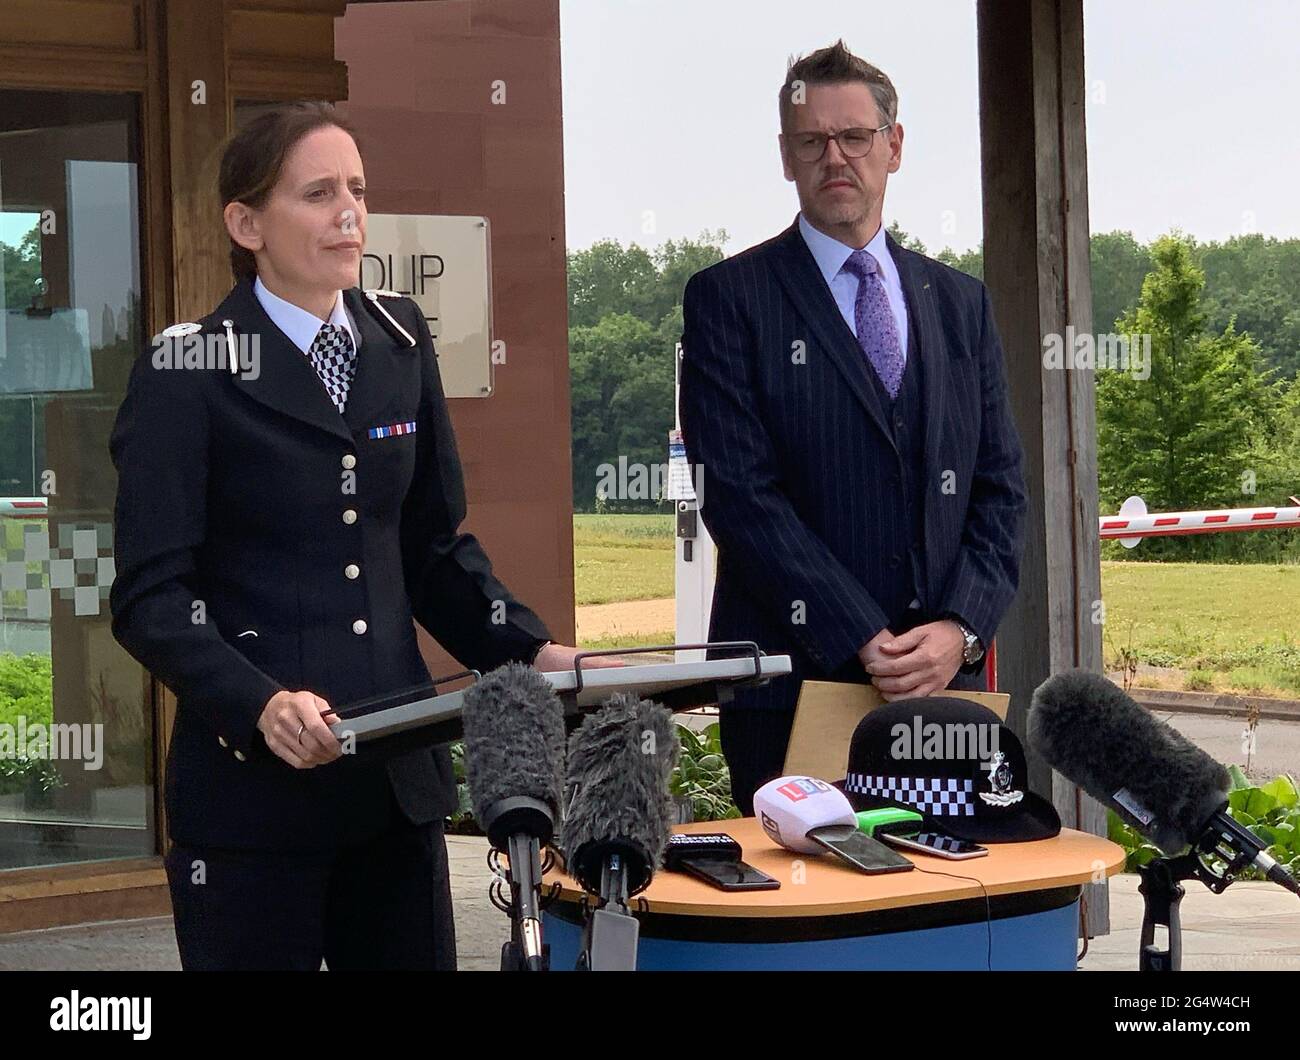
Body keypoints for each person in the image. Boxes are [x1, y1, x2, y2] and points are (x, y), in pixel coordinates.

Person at [109, 102, 600, 969]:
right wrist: (259, 702)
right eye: (318, 192)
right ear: (246, 222)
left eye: (358, 190)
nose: (349, 213)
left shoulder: (400, 342)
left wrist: (532, 652)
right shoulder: (187, 371)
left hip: (393, 795)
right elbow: (152, 597)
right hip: (252, 804)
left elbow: (433, 553)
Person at [679, 41, 1028, 815]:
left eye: (856, 137)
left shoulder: (961, 305)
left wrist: (960, 632)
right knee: (813, 929)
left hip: (947, 701)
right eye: (813, 141)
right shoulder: (728, 300)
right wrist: (859, 635)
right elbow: (738, 496)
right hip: (791, 699)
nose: (835, 157)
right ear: (786, 156)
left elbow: (1000, 494)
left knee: (941, 918)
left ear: (893, 146)